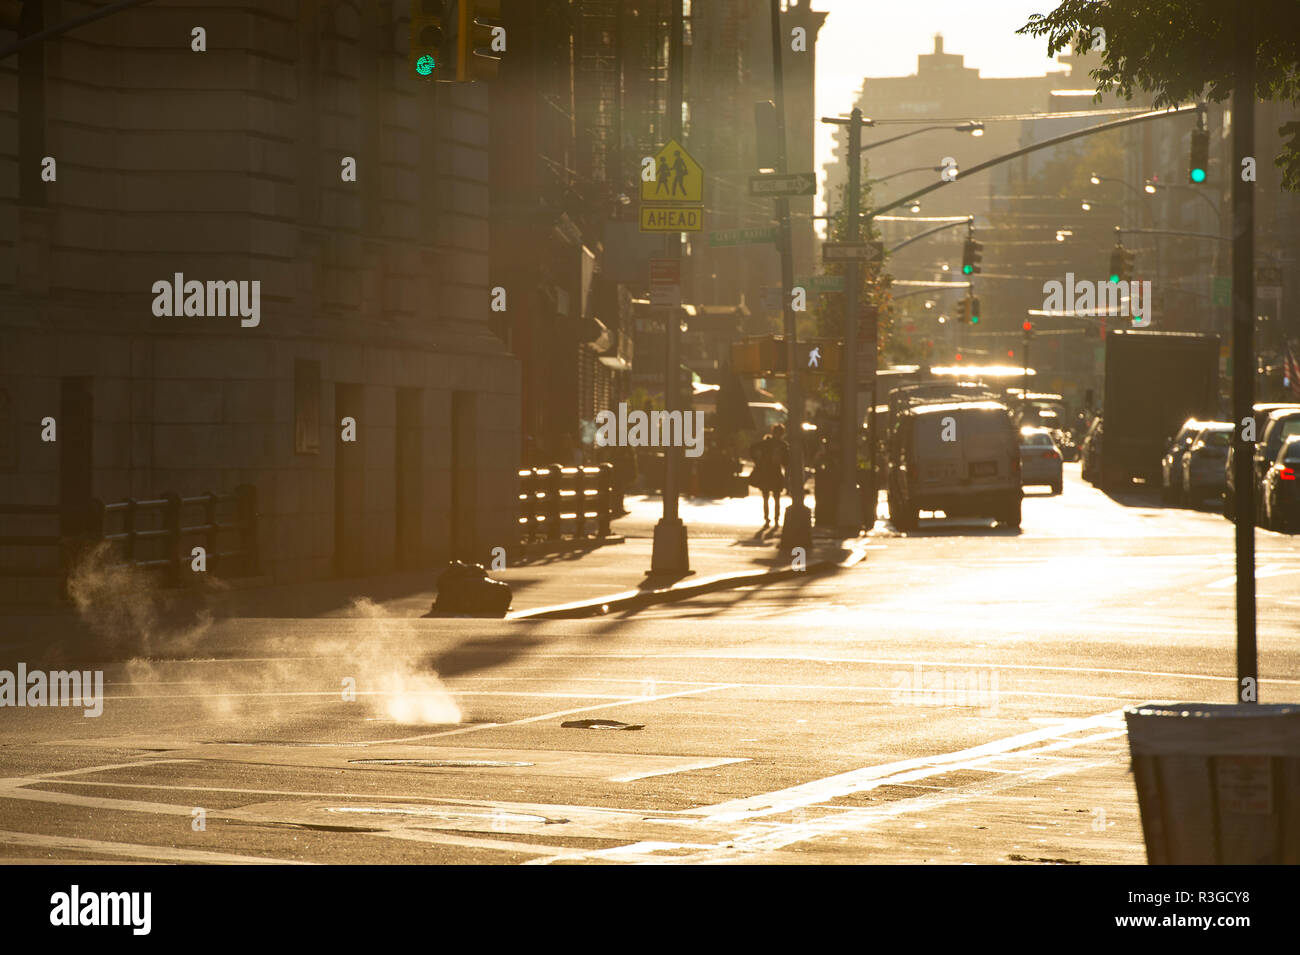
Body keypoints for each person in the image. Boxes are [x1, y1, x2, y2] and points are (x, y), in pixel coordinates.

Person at [749, 423, 788, 527]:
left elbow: (752, 448)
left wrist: (757, 461)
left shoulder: (767, 443)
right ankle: (774, 519)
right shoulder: (782, 445)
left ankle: (769, 518)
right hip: (773, 473)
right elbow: (786, 461)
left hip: (767, 472)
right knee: (775, 498)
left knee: (767, 497)